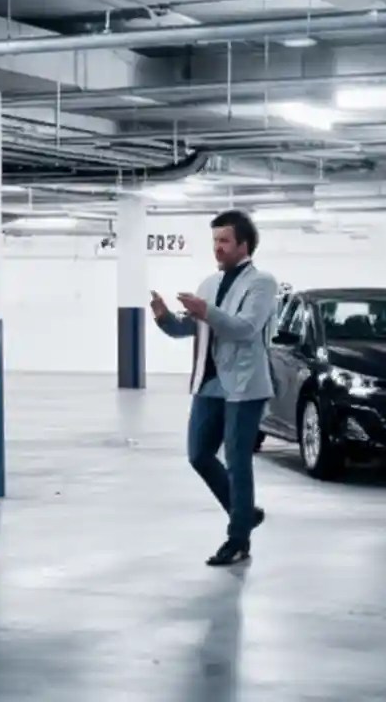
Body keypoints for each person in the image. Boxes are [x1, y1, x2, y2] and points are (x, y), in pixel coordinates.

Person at [150, 209, 280, 566]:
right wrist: (164, 318)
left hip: (243, 385)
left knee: (238, 463)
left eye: (224, 241)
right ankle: (244, 513)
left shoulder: (262, 283)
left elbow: (245, 328)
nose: (217, 248)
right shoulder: (208, 283)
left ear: (244, 244)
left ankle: (238, 540)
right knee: (198, 455)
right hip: (208, 383)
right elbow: (188, 329)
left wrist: (206, 311)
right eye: (214, 241)